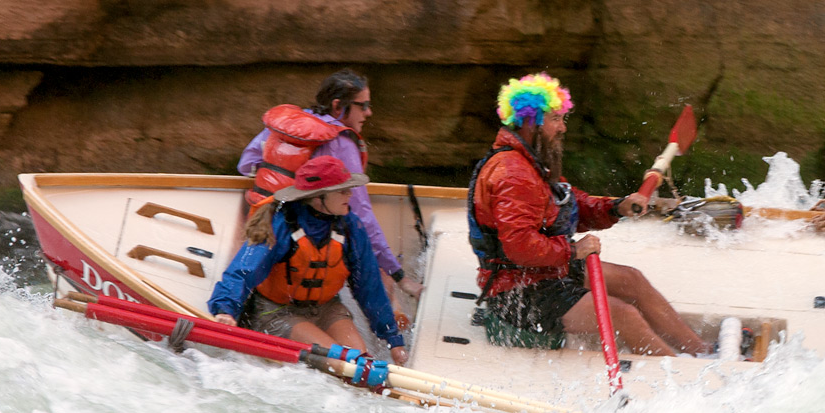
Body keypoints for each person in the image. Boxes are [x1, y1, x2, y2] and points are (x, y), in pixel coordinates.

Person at [468, 72, 711, 357]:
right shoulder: (513, 174)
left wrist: (616, 207)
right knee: (624, 315)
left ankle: (702, 351)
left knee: (631, 279)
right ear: (531, 122)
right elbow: (520, 247)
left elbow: (570, 204)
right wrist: (573, 250)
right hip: (518, 293)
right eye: (556, 119)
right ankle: (679, 374)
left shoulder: (530, 160)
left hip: (545, 272)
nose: (563, 128)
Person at [238, 69, 422, 299]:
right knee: (379, 267)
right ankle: (391, 313)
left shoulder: (287, 125)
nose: (369, 112)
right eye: (362, 106)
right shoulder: (341, 144)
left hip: (261, 227)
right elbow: (363, 214)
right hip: (303, 246)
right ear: (338, 106)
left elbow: (246, 166)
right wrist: (399, 275)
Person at [208, 156, 408, 365]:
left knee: (362, 361)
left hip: (327, 308)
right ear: (317, 197)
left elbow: (370, 286)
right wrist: (225, 309)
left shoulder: (351, 227)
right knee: (341, 363)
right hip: (278, 312)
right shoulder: (281, 224)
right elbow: (243, 270)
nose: (350, 194)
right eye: (342, 190)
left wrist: (393, 340)